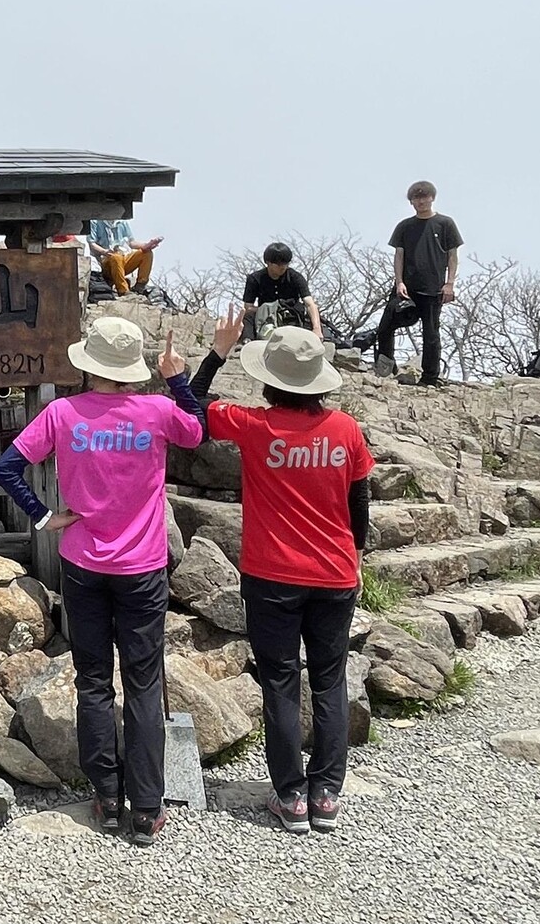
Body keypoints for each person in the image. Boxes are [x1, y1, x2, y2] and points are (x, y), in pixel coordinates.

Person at [0, 318, 205, 846]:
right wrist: (176, 379)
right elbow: (197, 431)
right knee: (143, 683)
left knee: (92, 681)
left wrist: (42, 516)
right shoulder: (156, 411)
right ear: (131, 369)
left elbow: (7, 468)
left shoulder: (63, 413)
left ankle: (108, 799)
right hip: (143, 567)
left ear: (89, 365)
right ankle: (147, 808)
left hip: (83, 564)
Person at [190, 305, 374, 835]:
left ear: (268, 379)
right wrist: (352, 555)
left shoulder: (254, 425)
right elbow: (359, 504)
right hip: (335, 574)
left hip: (270, 575)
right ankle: (327, 795)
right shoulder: (346, 430)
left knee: (278, 680)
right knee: (330, 680)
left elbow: (192, 409)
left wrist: (217, 352)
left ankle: (291, 797)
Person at [374, 181, 462, 386]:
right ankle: (385, 370)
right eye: (417, 198)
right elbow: (399, 255)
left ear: (432, 198)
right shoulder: (405, 226)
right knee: (385, 327)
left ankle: (430, 377)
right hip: (407, 287)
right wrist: (399, 282)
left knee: (431, 334)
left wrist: (449, 284)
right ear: (411, 201)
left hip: (433, 288)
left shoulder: (445, 223)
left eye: (425, 197)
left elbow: (452, 256)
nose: (421, 201)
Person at [242, 242, 323, 341]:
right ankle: (247, 342)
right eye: (279, 264)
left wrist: (317, 328)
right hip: (265, 318)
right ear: (268, 262)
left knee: (313, 317)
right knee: (247, 316)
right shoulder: (255, 279)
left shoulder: (295, 277)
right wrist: (268, 309)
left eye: (286, 263)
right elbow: (248, 307)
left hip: (291, 316)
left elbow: (310, 304)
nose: (283, 267)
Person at [89, 219, 162, 297]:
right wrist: (104, 251)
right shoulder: (95, 223)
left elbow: (131, 243)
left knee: (147, 253)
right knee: (116, 257)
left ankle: (139, 286)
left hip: (123, 257)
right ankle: (123, 290)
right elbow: (92, 244)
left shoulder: (122, 223)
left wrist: (147, 245)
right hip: (107, 260)